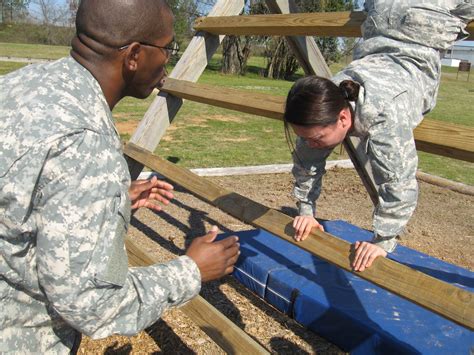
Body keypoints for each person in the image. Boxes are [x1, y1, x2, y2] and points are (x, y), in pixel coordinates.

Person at [0, 0, 240, 353]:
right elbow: (91, 304)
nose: (168, 60)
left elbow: (23, 197)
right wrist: (191, 270)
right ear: (134, 56)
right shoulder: (86, 142)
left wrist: (108, 202)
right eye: (167, 47)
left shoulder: (23, 85)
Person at [284, 0, 473, 271]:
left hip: (422, 23)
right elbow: (306, 160)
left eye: (316, 138)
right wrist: (306, 210)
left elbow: (398, 181)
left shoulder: (385, 116)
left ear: (343, 118)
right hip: (385, 16)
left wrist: (383, 240)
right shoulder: (324, 101)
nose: (311, 143)